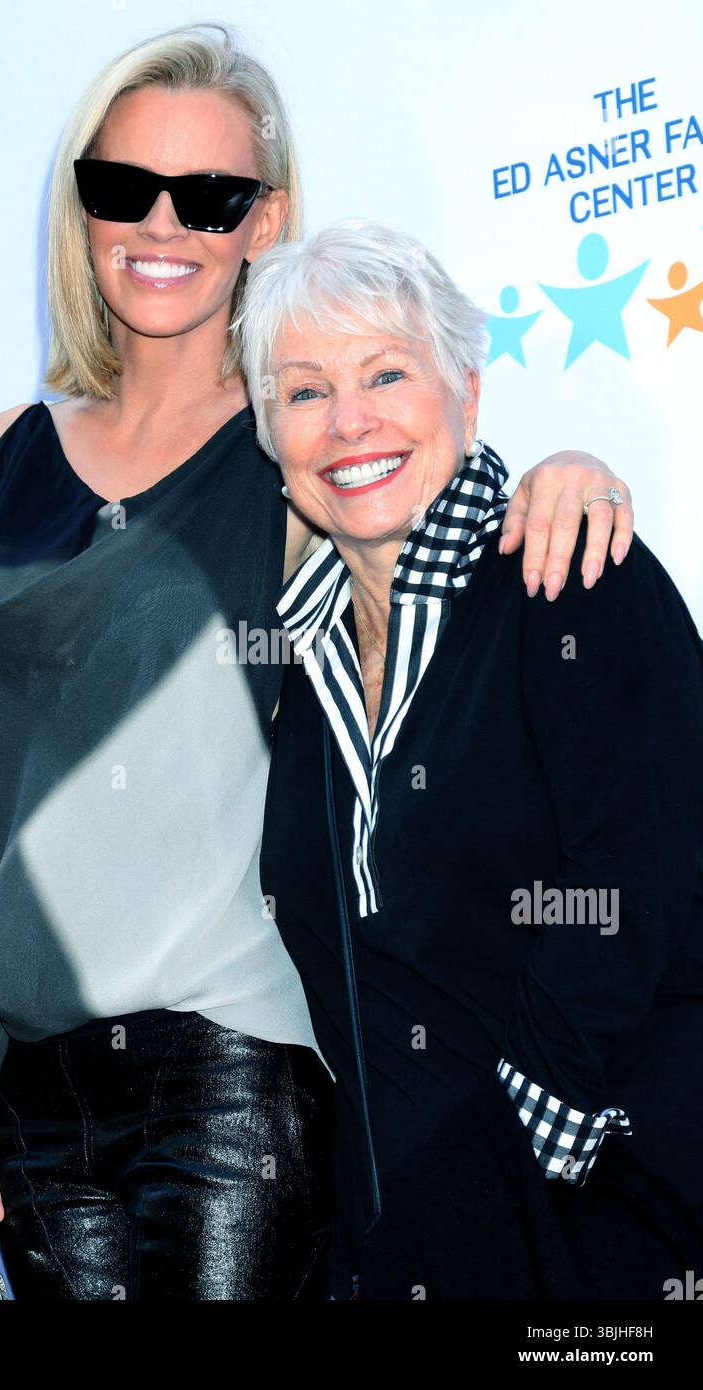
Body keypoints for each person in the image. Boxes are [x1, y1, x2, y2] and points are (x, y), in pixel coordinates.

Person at [0, 24, 634, 1301]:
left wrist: (569, 471)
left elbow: (428, 501)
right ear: (82, 209)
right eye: (124, 188)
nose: (163, 225)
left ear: (267, 216)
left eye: (212, 195)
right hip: (24, 1094)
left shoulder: (292, 444)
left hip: (232, 1073)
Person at [240, 217, 703, 1301]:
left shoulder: (571, 573)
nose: (348, 421)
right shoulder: (288, 671)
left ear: (467, 389)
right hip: (403, 1239)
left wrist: (491, 1161)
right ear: (269, 433)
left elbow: (633, 891)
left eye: (386, 374)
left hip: (607, 1208)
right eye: (304, 391)